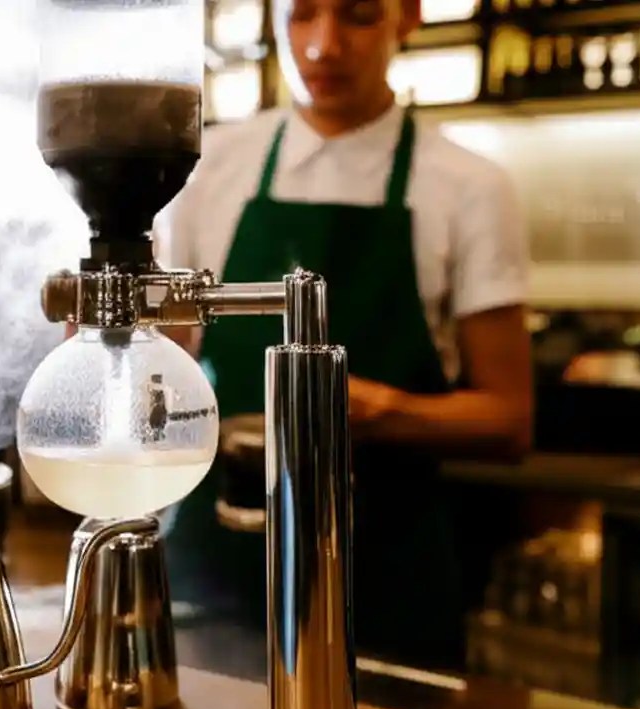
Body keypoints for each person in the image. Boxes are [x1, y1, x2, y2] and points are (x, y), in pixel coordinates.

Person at [153, 0, 533, 672]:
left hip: (383, 581)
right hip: (218, 569)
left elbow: (508, 420)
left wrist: (383, 410)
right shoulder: (208, 168)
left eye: (357, 15)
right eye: (301, 16)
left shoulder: (470, 186)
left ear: (408, 16)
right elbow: (171, 362)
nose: (323, 47)